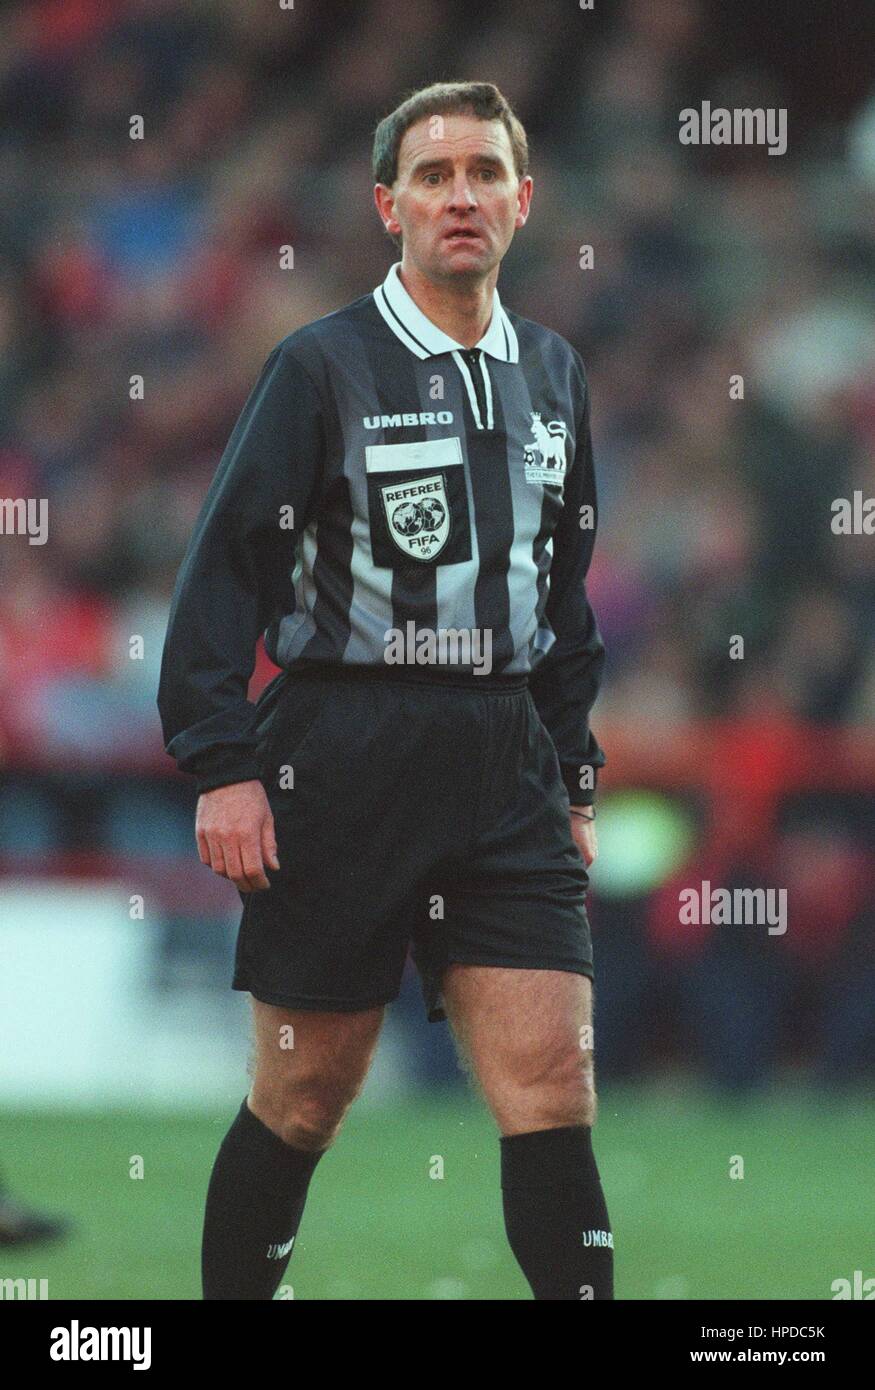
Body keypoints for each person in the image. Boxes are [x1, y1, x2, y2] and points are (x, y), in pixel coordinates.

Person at [158, 80, 611, 1301]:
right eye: (430, 175)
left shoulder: (556, 375)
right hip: (338, 749)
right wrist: (223, 760)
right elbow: (221, 575)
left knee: (552, 1085)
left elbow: (563, 605)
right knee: (305, 1096)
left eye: (480, 171)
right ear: (386, 206)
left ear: (523, 200)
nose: (457, 195)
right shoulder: (320, 366)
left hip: (505, 758)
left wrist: (572, 774)